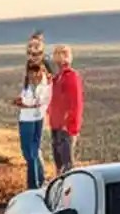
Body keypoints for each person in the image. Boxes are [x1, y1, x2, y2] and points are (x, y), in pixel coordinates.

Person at [11, 59, 52, 189]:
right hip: (30, 118)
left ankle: (33, 184)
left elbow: (39, 101)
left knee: (30, 153)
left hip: (32, 119)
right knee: (31, 151)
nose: (33, 74)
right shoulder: (31, 83)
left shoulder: (44, 84)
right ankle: (39, 179)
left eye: (35, 71)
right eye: (30, 71)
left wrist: (24, 103)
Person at [46, 44, 84, 175]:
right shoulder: (57, 78)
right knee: (59, 164)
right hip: (56, 125)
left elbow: (76, 103)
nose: (57, 57)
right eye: (56, 54)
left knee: (67, 164)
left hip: (65, 126)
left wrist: (71, 125)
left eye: (61, 54)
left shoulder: (71, 76)